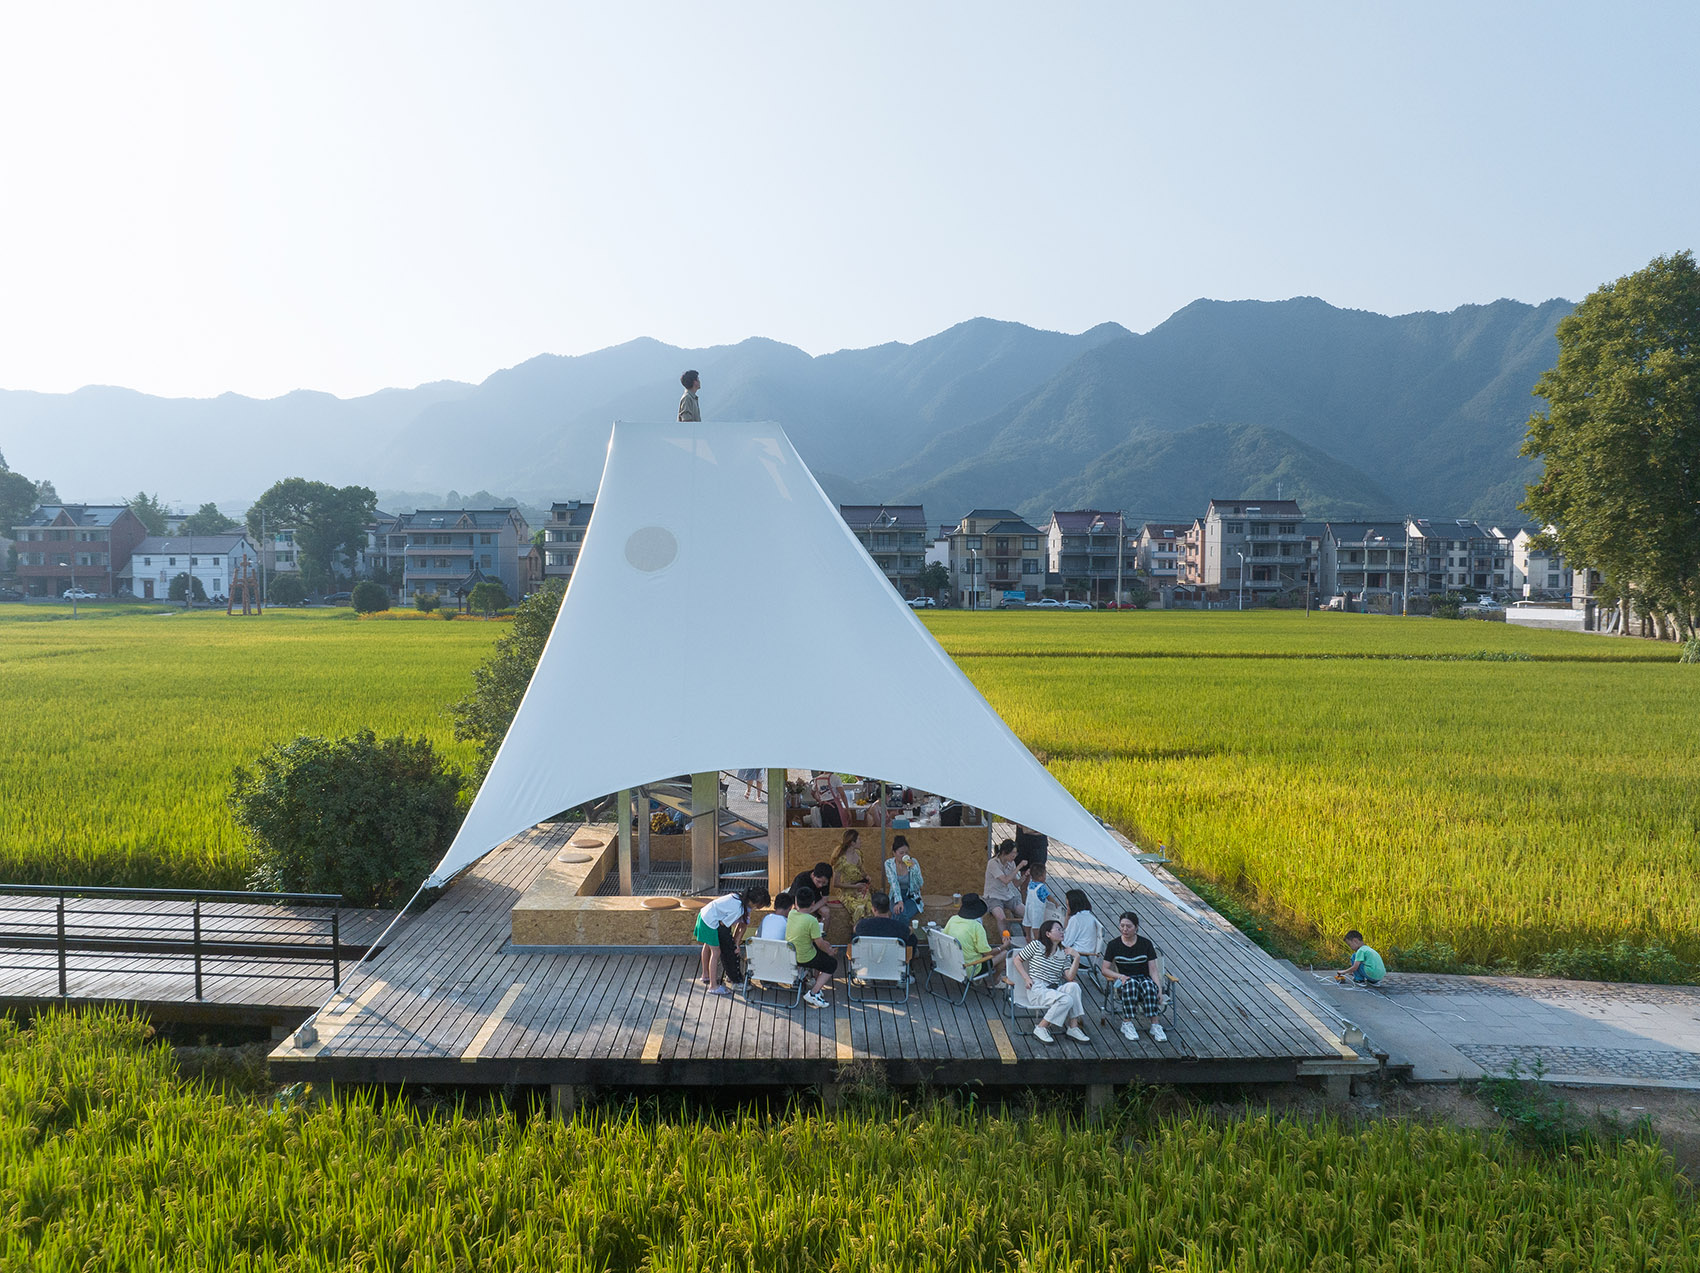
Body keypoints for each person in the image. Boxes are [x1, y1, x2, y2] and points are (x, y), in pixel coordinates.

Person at [1016, 919, 1090, 1044]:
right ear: (1048, 934)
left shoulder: (1064, 952)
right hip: (1037, 988)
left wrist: (1076, 957)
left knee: (1074, 987)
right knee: (1066, 1000)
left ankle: (1073, 1027)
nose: (1062, 932)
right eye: (1058, 929)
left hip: (1053, 989)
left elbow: (1070, 977)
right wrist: (1026, 978)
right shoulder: (1036, 945)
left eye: (1062, 929)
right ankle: (1041, 1027)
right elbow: (1017, 960)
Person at [1101, 911, 1166, 1042]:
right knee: (1130, 984)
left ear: (1136, 927)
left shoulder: (1145, 944)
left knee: (1149, 986)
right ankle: (1127, 1023)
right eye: (1122, 926)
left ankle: (1155, 1025)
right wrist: (1120, 976)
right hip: (1125, 980)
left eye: (1128, 926)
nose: (1125, 929)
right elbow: (1105, 969)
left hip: (1143, 978)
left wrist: (1159, 989)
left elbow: (1153, 970)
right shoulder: (1114, 945)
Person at [695, 885, 769, 995]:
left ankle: (705, 975)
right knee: (716, 952)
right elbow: (723, 925)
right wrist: (731, 945)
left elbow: (741, 925)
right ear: (757, 904)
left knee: (707, 946)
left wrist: (736, 943)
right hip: (710, 923)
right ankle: (713, 986)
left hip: (703, 915)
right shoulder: (738, 909)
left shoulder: (737, 897)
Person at [786, 883, 837, 1007]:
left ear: (796, 902)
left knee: (822, 954)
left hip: (791, 955)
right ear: (813, 903)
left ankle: (815, 983)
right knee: (832, 964)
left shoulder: (792, 914)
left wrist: (825, 945)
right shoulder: (812, 920)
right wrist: (830, 951)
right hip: (804, 958)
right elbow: (819, 943)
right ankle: (813, 992)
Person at [942, 893, 1008, 984]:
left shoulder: (953, 919)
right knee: (1004, 953)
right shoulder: (976, 927)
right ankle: (995, 981)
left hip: (952, 964)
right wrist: (1003, 946)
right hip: (970, 968)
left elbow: (944, 937)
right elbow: (986, 953)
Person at [852, 890, 916, 971]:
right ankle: (905, 970)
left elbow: (854, 929)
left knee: (855, 937)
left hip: (869, 963)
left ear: (874, 909)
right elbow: (909, 932)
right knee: (912, 938)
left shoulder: (863, 925)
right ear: (889, 908)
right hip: (893, 964)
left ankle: (859, 967)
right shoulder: (898, 926)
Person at [829, 829, 873, 925]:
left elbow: (861, 870)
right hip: (847, 890)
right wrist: (855, 887)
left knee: (870, 906)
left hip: (860, 887)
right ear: (852, 842)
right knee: (859, 908)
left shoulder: (858, 854)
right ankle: (856, 932)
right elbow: (836, 884)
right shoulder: (841, 860)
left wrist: (867, 876)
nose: (861, 841)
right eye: (859, 839)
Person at [983, 840, 1024, 934]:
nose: (1015, 856)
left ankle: (1029, 938)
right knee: (1001, 918)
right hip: (993, 896)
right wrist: (1019, 867)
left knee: (1026, 913)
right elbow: (1005, 880)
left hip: (1007, 895)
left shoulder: (1011, 863)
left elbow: (1016, 883)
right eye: (1012, 853)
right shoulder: (993, 863)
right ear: (1004, 852)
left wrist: (1024, 877)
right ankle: (1005, 942)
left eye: (1016, 853)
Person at [883, 835, 925, 924]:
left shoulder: (913, 862)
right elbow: (894, 883)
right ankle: (904, 935)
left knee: (900, 914)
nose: (904, 855)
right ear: (894, 853)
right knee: (899, 912)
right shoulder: (889, 864)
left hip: (912, 896)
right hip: (896, 895)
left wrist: (914, 868)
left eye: (906, 853)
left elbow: (920, 883)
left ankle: (895, 936)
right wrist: (899, 901)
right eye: (901, 853)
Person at [1061, 889, 1103, 963]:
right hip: (1089, 957)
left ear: (1073, 905)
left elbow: (1066, 942)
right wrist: (1067, 917)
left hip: (1079, 957)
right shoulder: (1089, 916)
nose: (1067, 908)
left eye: (1068, 905)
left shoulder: (1076, 919)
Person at [1023, 864, 1057, 942]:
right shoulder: (1041, 887)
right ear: (1041, 877)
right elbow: (1048, 897)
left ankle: (1028, 936)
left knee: (1027, 923)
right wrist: (1055, 903)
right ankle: (1036, 939)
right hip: (1037, 910)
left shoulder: (1030, 884)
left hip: (1028, 908)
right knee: (1036, 926)